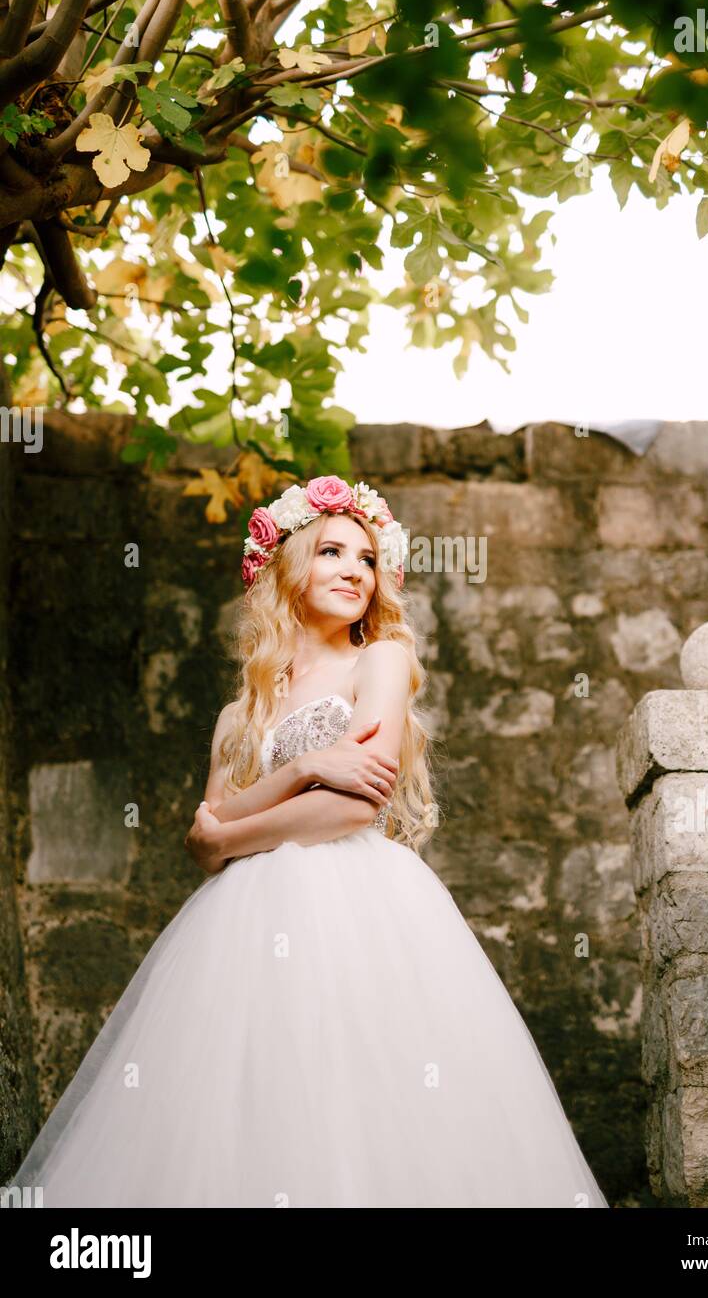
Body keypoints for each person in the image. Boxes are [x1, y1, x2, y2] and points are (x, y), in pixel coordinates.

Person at [6, 475, 609, 1208]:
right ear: (288, 568)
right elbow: (203, 850)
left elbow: (352, 809)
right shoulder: (239, 713)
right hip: (242, 926)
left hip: (362, 908)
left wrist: (235, 827)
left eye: (367, 558)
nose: (356, 569)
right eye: (332, 551)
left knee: (363, 1092)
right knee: (249, 1101)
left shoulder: (379, 661)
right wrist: (307, 769)